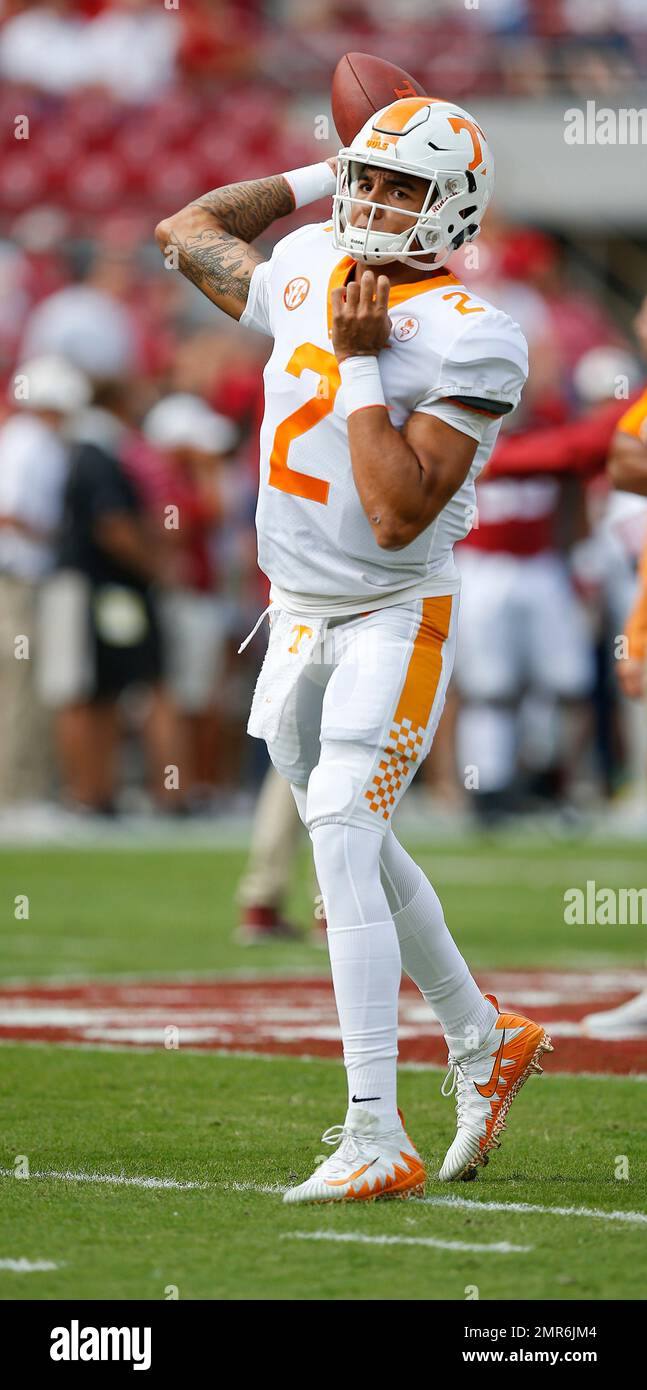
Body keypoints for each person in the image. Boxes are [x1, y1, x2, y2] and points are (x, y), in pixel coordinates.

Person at [156, 95, 552, 1202]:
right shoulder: (310, 256)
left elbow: (394, 514)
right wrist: (325, 173)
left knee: (339, 827)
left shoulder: (476, 331)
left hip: (391, 608)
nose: (375, 203)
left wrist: (364, 359)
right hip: (292, 610)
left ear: (453, 209)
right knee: (356, 844)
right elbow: (186, 230)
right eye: (365, 181)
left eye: (401, 188)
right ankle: (483, 1039)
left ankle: (375, 1127)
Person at [0, 354, 90, 807]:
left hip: (26, 578)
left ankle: (25, 790)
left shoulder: (31, 440)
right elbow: (10, 513)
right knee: (17, 688)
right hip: (17, 579)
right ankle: (13, 795)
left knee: (28, 686)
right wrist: (56, 536)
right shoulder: (26, 442)